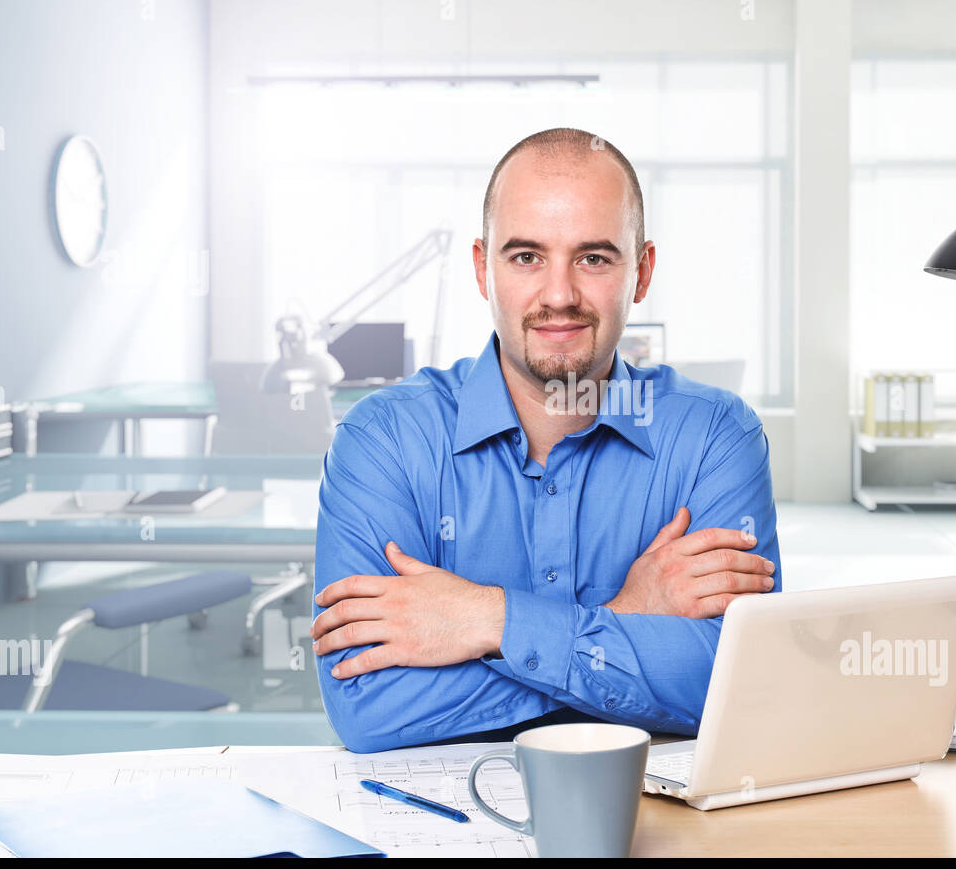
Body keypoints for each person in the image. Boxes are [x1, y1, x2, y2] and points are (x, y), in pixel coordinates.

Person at [310, 127, 782, 753]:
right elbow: (369, 705)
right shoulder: (385, 441)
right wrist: (625, 622)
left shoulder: (715, 438)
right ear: (484, 269)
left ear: (641, 272)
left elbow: (746, 682)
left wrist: (489, 621)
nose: (559, 295)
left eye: (593, 258)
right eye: (527, 257)